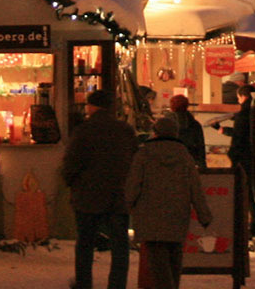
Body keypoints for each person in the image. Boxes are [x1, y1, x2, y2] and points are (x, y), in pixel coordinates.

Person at [124, 114, 212, 289]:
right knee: (174, 259)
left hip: (150, 215)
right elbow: (195, 187)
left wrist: (126, 206)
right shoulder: (184, 155)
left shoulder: (144, 154)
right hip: (177, 215)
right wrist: (204, 215)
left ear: (155, 133)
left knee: (157, 262)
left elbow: (134, 184)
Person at [62, 89, 137, 289]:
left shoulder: (84, 130)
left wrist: (71, 182)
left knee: (85, 243)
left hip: (88, 195)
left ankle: (84, 283)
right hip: (118, 195)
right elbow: (134, 161)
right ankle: (117, 284)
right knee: (120, 246)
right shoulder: (125, 130)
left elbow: (71, 162)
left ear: (92, 106)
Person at [167, 94, 205, 164]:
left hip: (170, 160)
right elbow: (200, 146)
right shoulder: (195, 124)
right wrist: (202, 165)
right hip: (190, 160)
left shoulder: (166, 124)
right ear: (187, 106)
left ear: (171, 106)